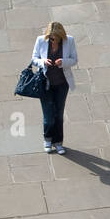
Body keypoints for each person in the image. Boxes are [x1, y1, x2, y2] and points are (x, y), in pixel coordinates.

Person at [31, 21, 78, 154]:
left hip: (62, 84)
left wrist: (63, 62)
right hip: (45, 84)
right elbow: (34, 58)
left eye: (56, 38)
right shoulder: (40, 40)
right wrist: (42, 62)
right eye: (51, 38)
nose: (54, 40)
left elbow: (74, 59)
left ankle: (58, 142)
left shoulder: (69, 40)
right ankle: (47, 139)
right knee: (48, 116)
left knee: (59, 114)